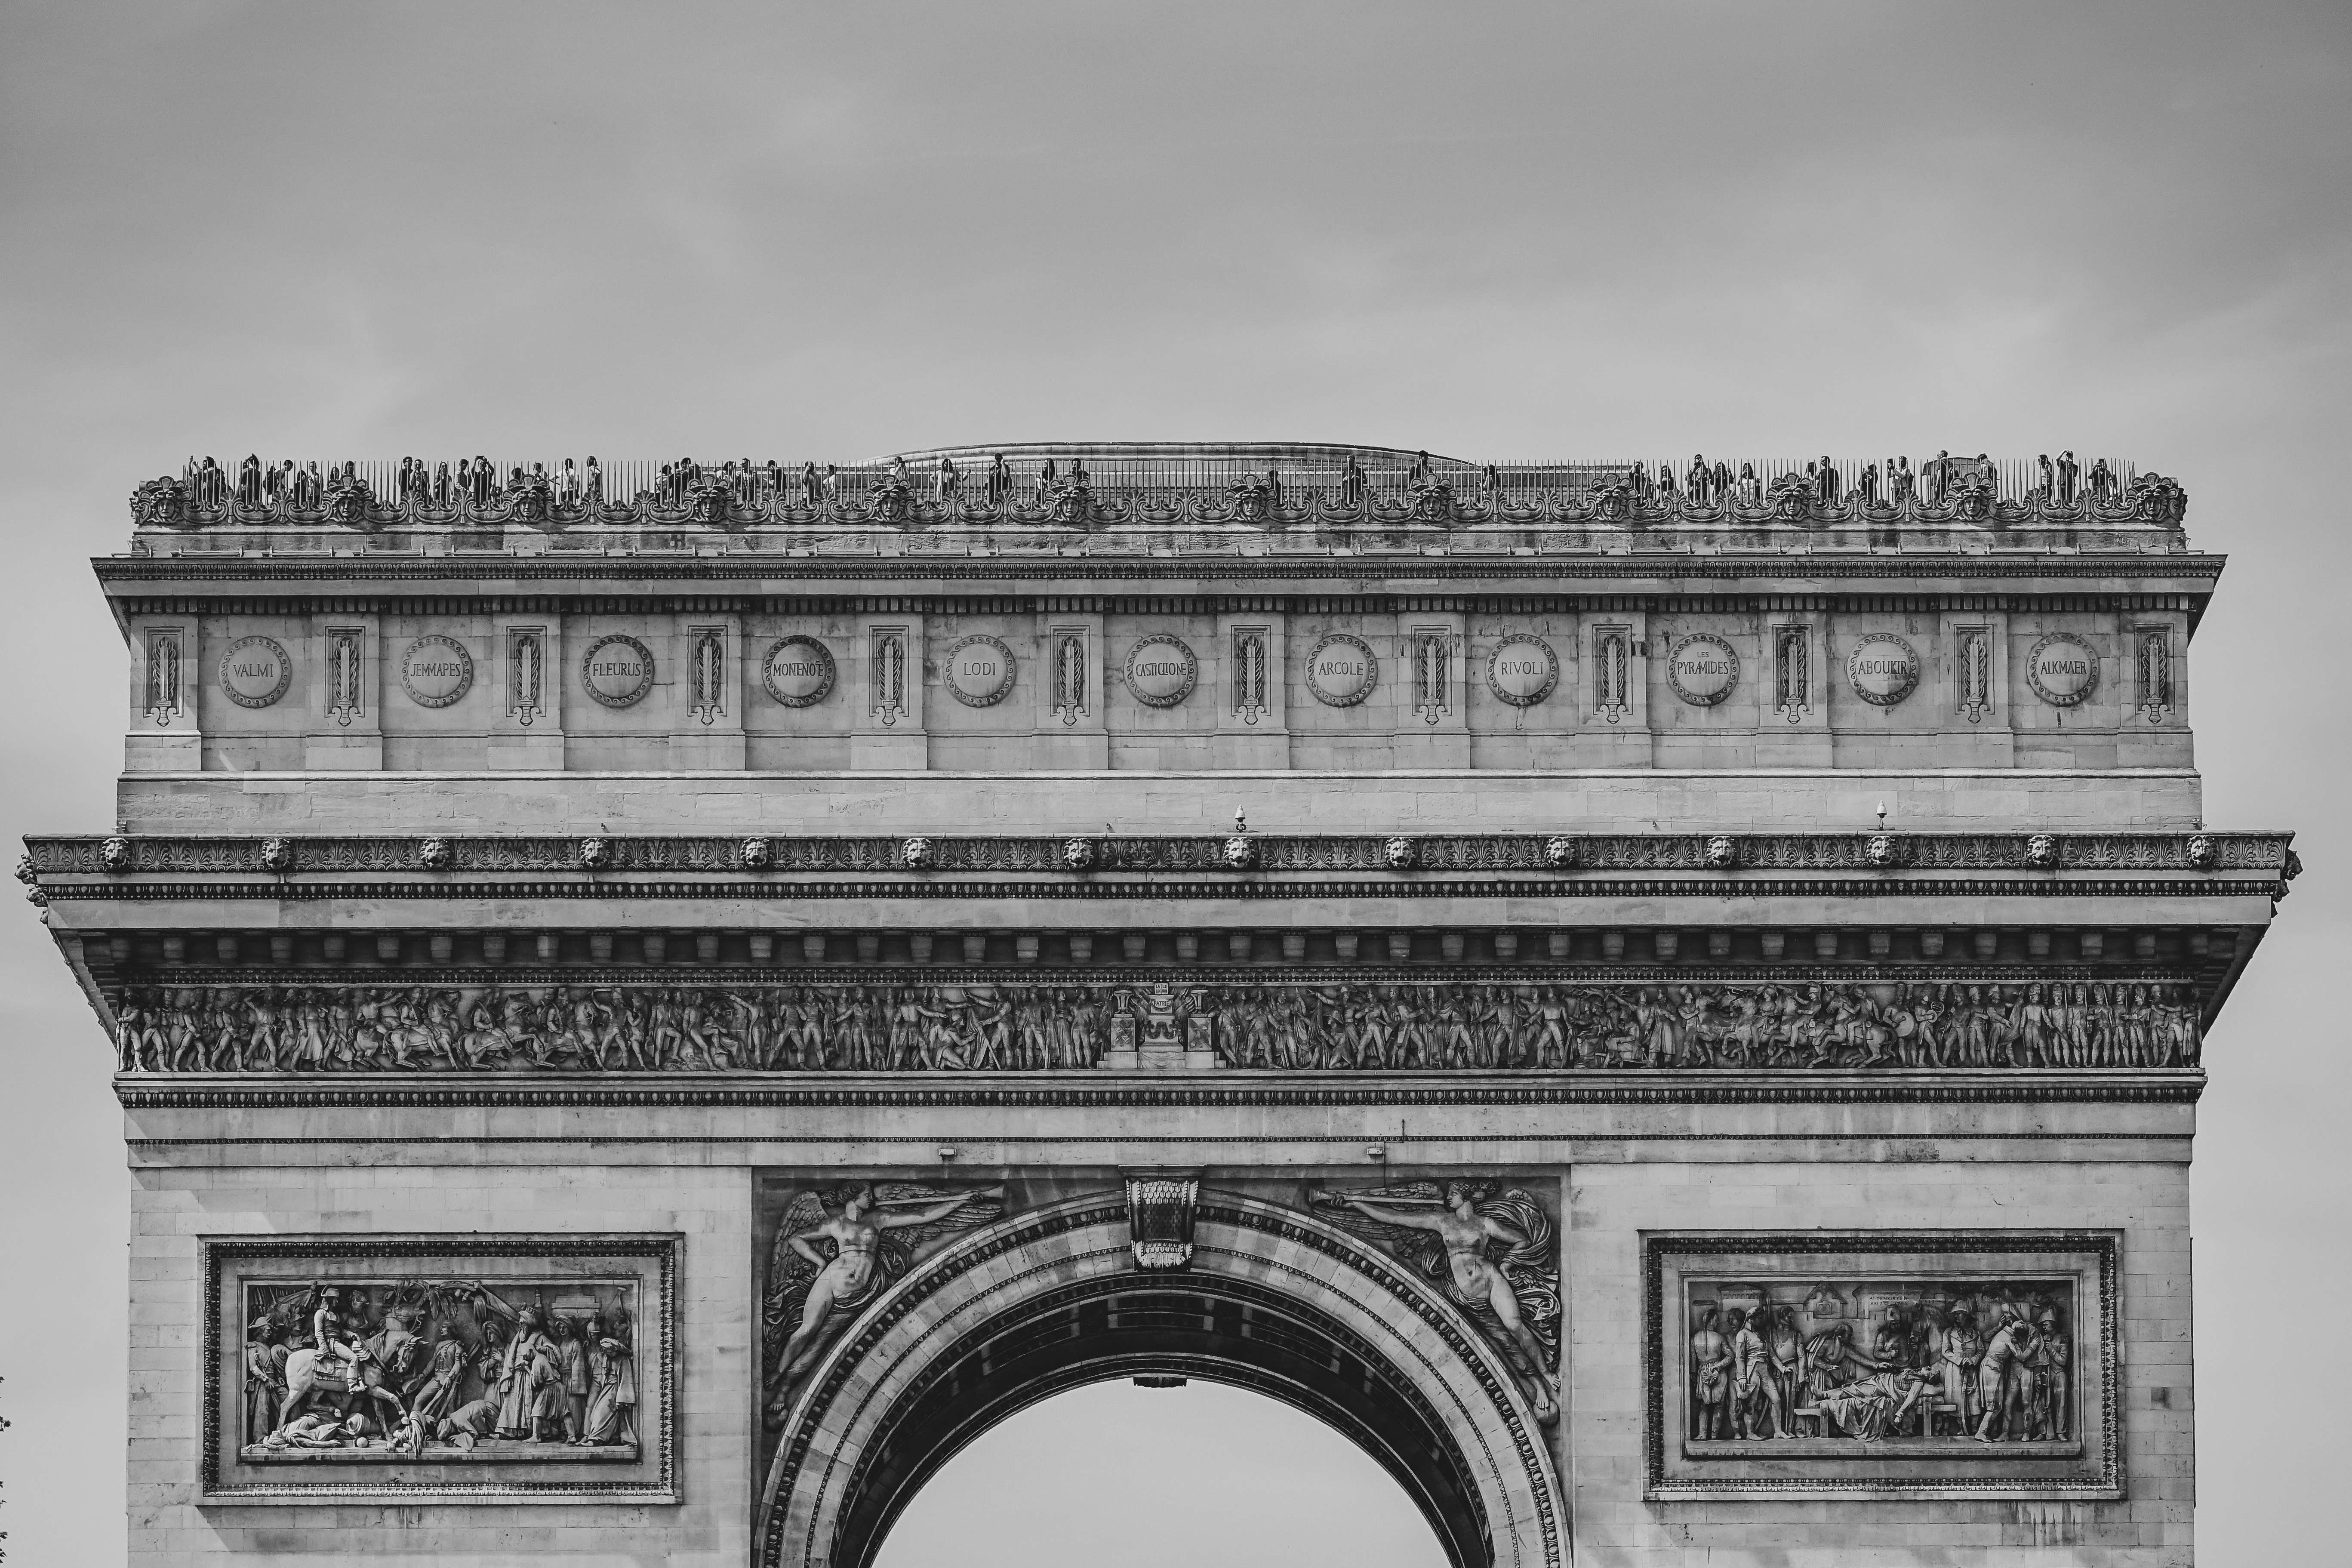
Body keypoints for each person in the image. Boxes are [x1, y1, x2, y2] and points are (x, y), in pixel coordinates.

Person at [1336, 1183, 1557, 1420]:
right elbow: (1395, 1218)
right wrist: (1357, 1203)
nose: (1448, 1198)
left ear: (1468, 1196)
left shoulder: (1485, 1223)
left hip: (1493, 1279)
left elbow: (1521, 1240)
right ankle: (1538, 1386)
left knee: (1516, 1326)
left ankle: (1545, 1372)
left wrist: (1507, 1264)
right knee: (1504, 1340)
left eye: (1453, 1194)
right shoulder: (1442, 1221)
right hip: (1469, 1295)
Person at [775, 1185, 995, 1382]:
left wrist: (960, 1199)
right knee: (807, 1329)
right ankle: (779, 1373)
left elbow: (922, 1215)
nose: (871, 1199)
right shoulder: (835, 1223)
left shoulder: (877, 1219)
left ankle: (786, 1387)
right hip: (830, 1280)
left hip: (858, 1292)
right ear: (853, 1197)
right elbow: (796, 1238)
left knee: (821, 1341)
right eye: (866, 1195)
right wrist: (820, 1262)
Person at [1690, 1307, 1731, 1439]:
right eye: (1716, 1320)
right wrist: (1719, 1366)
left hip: (1704, 1372)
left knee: (1704, 1405)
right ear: (1710, 1321)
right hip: (1718, 1371)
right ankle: (1713, 1435)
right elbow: (1730, 1356)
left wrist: (1695, 1375)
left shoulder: (1695, 1338)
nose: (1718, 1323)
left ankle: (1704, 1434)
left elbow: (1693, 1363)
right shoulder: (1720, 1338)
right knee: (1718, 1405)